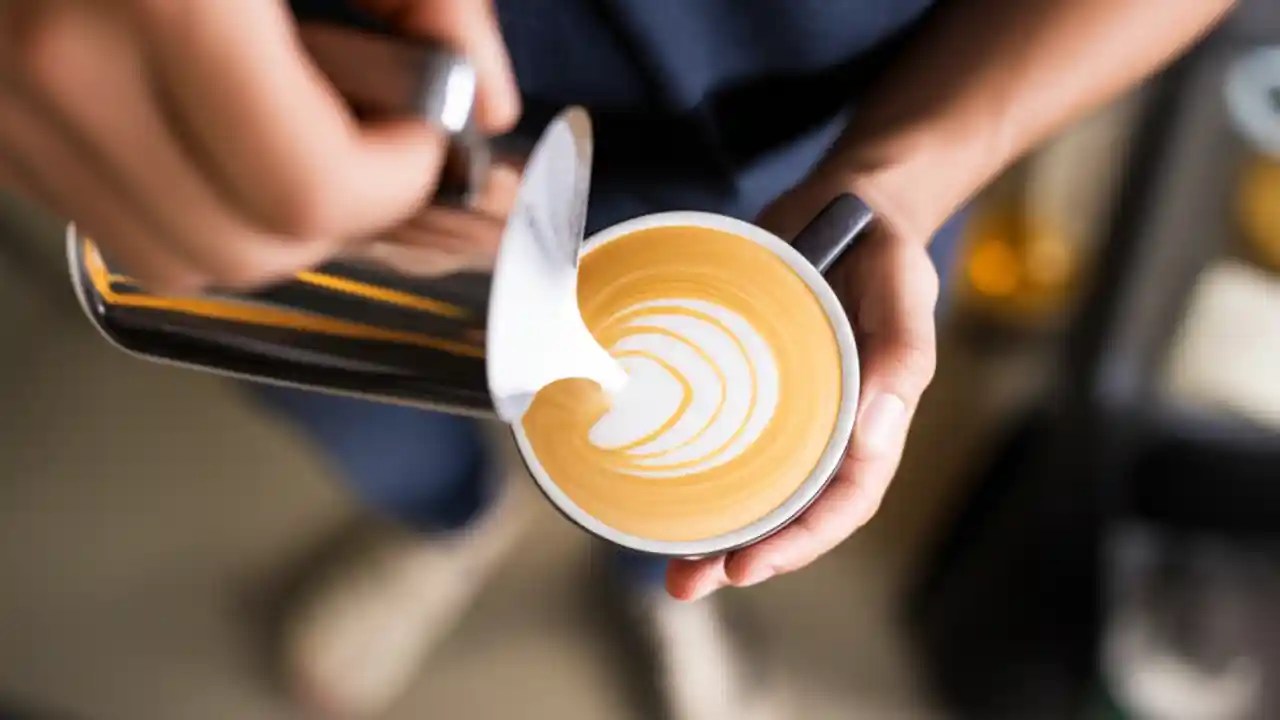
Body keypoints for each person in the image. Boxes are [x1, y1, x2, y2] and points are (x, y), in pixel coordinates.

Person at [0, 0, 1236, 717]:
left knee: (721, 494)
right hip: (364, 104)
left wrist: (906, 173)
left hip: (824, 148)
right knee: (362, 403)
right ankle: (449, 524)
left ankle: (650, 590)